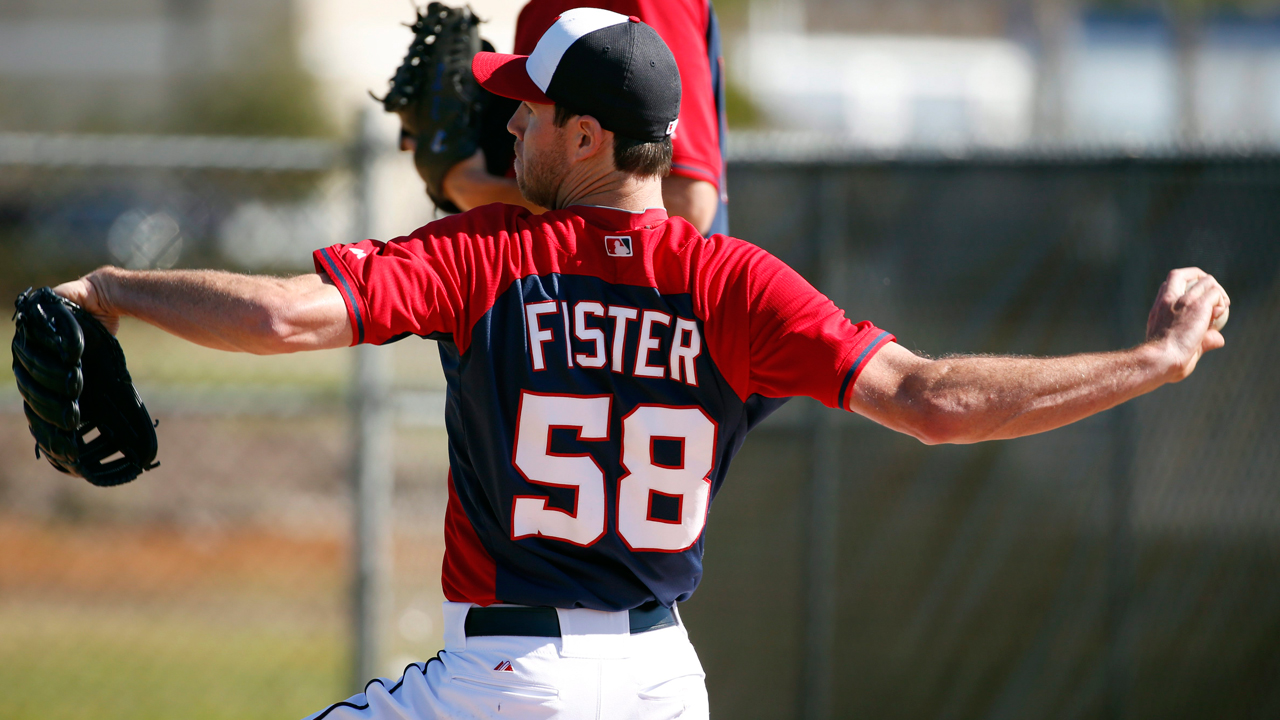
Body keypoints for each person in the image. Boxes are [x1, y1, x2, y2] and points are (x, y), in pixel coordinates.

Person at [53, 10, 1228, 720]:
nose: (501, 127)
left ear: (583, 137)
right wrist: (1150, 360)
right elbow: (934, 402)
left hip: (507, 683)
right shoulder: (732, 283)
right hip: (666, 687)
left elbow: (280, 320)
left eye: (523, 112)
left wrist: (113, 290)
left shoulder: (487, 253)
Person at [401, 0, 730, 236]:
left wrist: (468, 185)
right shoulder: (542, 9)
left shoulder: (642, 7)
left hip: (638, 316)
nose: (515, 123)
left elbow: (684, 204)